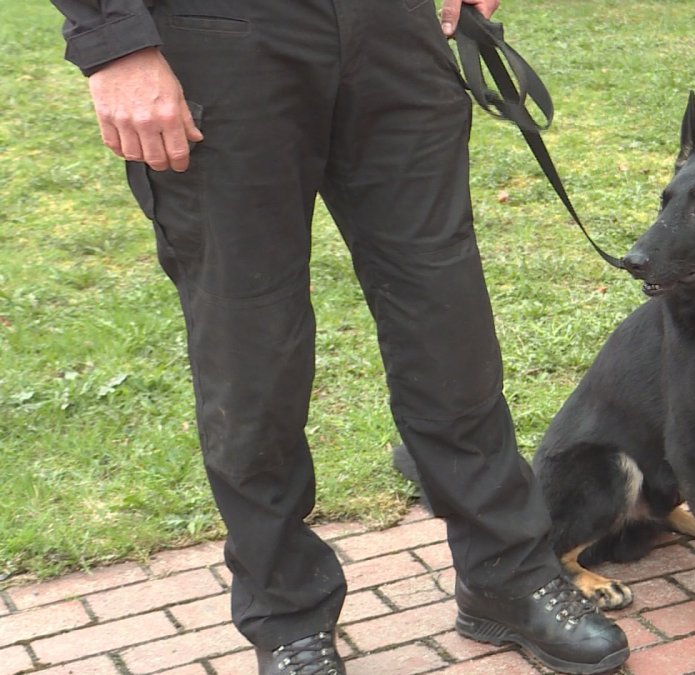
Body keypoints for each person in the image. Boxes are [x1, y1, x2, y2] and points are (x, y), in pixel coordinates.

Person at [48, 1, 629, 673]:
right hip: (218, 36)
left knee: (448, 323)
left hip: (392, 31)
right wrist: (114, 43)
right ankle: (288, 612)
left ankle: (507, 574)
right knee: (251, 351)